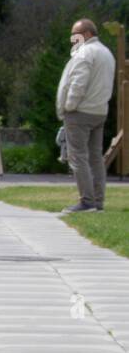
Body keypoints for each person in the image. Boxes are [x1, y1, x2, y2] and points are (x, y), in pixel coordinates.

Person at [56, 18, 116, 213]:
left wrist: (68, 106)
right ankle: (98, 201)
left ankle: (86, 201)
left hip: (80, 112)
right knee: (96, 157)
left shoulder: (84, 53)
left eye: (75, 35)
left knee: (77, 157)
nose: (72, 39)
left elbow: (78, 83)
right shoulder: (107, 53)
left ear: (88, 34)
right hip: (99, 111)